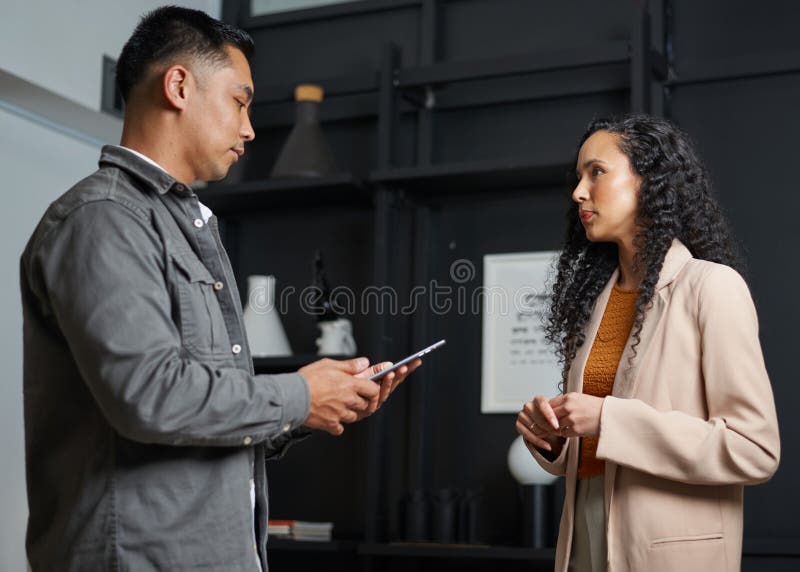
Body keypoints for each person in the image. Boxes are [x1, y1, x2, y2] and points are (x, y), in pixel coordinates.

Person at [20, 7, 418, 571]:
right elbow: (151, 398)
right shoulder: (104, 219)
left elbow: (192, 414)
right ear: (179, 86)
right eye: (240, 100)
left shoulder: (184, 226)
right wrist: (299, 396)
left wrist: (311, 409)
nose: (250, 127)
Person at [515, 114, 780, 572]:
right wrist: (556, 440)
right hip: (583, 534)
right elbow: (594, 447)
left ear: (650, 182)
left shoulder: (711, 287)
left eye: (596, 172)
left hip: (669, 552)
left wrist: (608, 418)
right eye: (578, 177)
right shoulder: (595, 302)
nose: (579, 191)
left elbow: (753, 450)